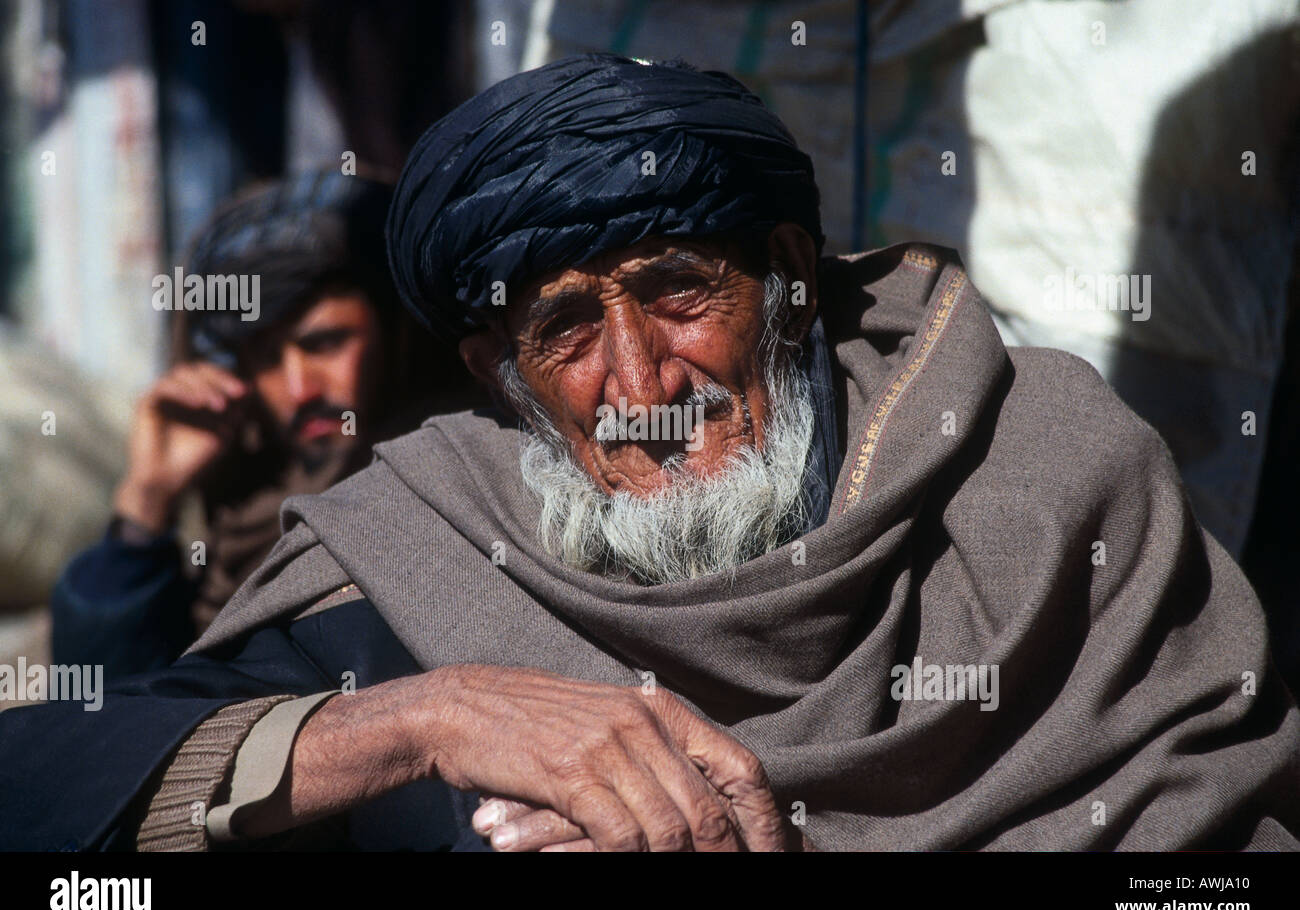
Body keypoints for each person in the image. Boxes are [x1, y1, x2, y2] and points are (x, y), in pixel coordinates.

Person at [3, 55, 1297, 853]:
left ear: (789, 278)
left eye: (680, 292)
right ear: (497, 373)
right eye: (564, 330)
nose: (640, 385)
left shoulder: (1044, 465)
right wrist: (434, 717)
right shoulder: (422, 536)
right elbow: (47, 785)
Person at [47, 171, 476, 678]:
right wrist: (148, 499)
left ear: (398, 336)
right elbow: (107, 708)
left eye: (325, 343)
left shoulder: (466, 482)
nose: (300, 389)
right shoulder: (239, 523)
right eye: (266, 359)